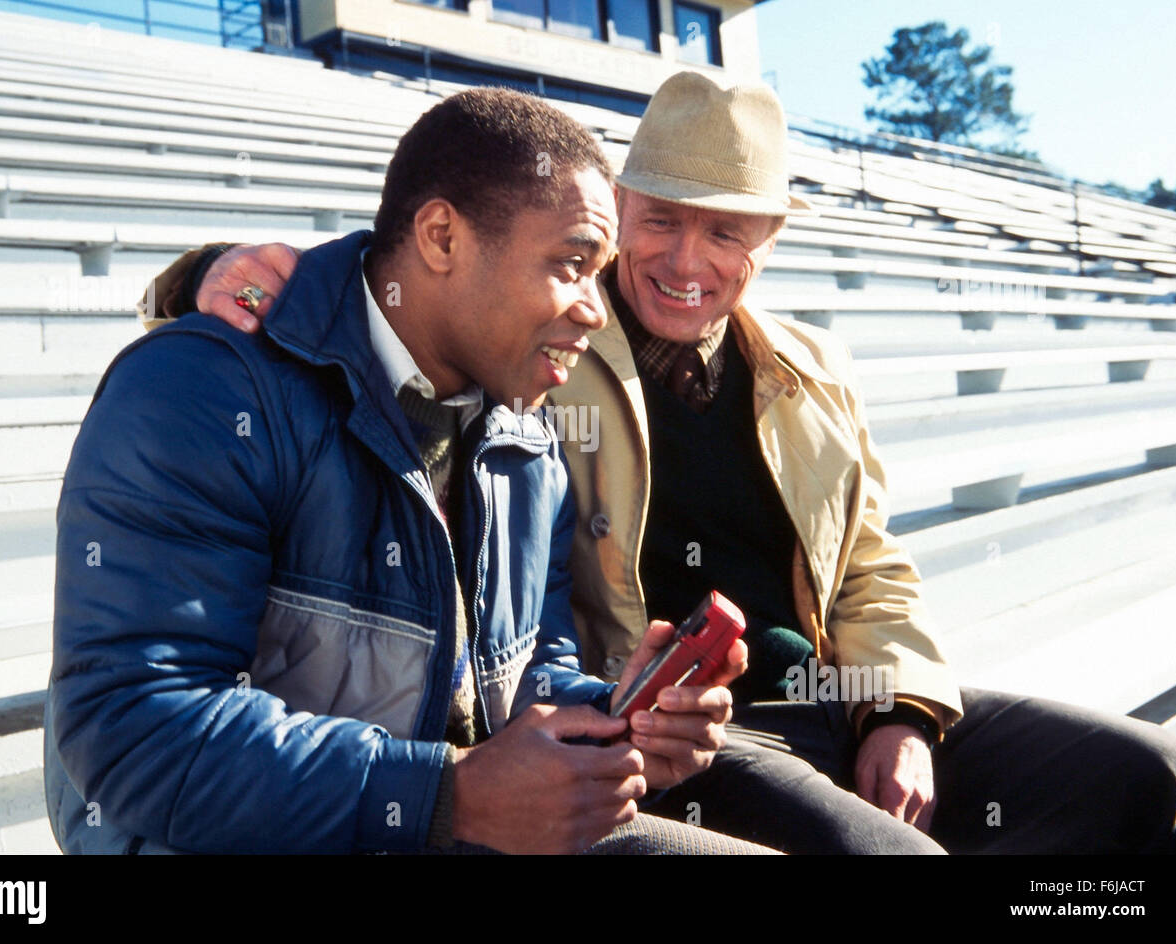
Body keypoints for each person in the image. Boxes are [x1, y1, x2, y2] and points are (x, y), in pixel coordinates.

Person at [142, 72, 1176, 854]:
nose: (686, 262)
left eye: (724, 231)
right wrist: (206, 274)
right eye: (660, 221)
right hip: (663, 727)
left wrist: (900, 712)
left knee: (1152, 773)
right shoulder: (538, 338)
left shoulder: (809, 370)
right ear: (614, 214)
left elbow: (873, 565)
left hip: (830, 693)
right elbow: (392, 280)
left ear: (765, 242)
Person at [42, 86, 778, 855]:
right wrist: (444, 796)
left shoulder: (527, 439)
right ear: (439, 237)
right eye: (571, 264)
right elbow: (134, 727)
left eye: (601, 272)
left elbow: (528, 677)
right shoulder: (200, 388)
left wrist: (620, 718)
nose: (597, 311)